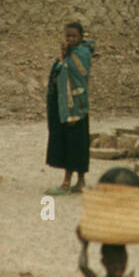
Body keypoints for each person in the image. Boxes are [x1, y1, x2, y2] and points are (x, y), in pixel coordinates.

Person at [46, 21, 94, 194]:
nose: (71, 39)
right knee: (74, 143)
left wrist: (65, 58)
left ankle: (68, 183)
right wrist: (63, 56)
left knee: (76, 144)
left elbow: (75, 72)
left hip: (77, 106)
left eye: (74, 36)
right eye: (68, 36)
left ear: (81, 37)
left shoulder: (82, 54)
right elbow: (58, 72)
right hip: (68, 107)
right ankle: (78, 181)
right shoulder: (67, 54)